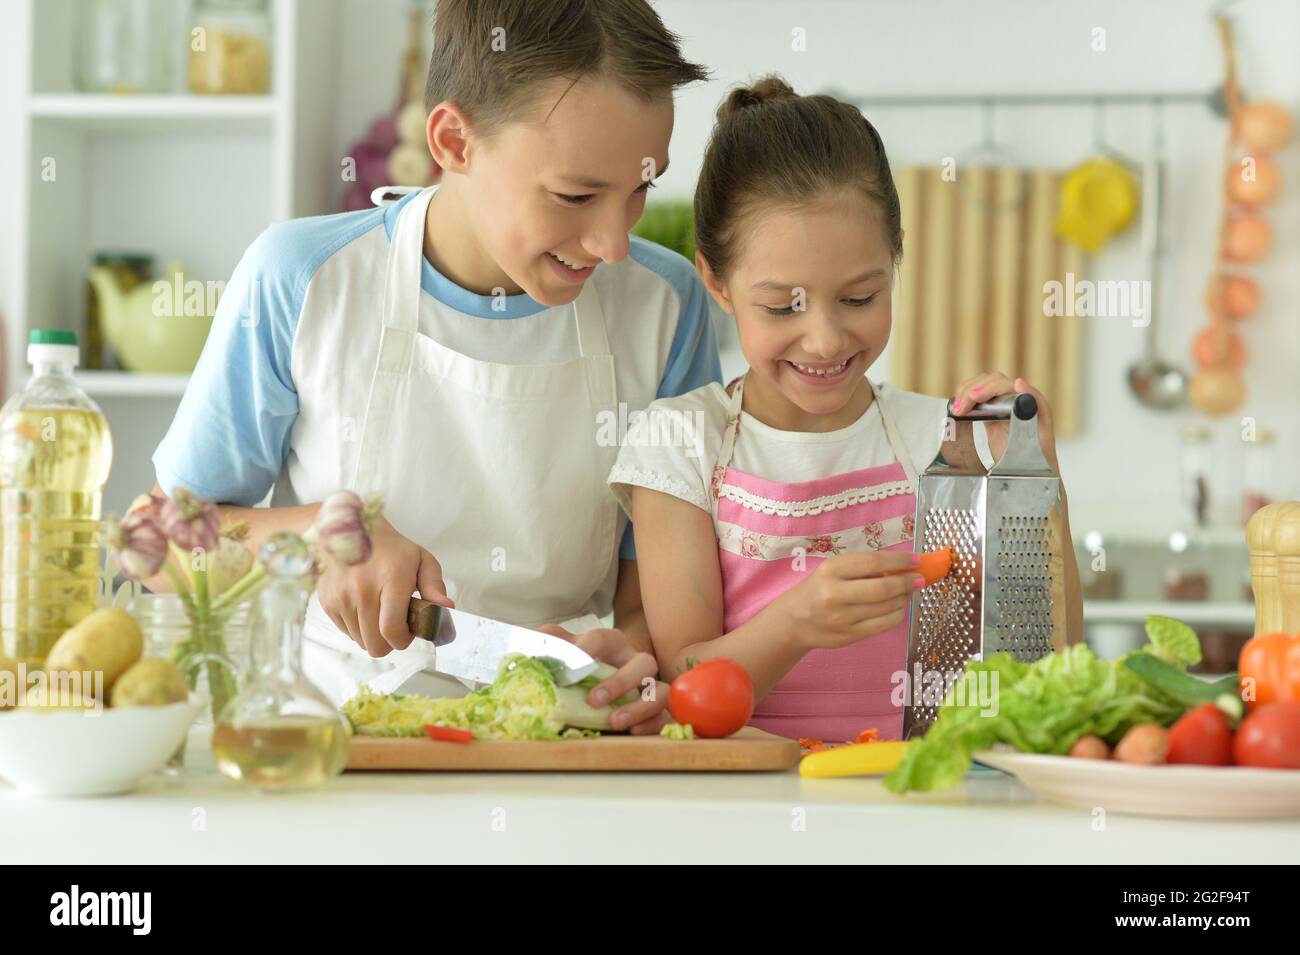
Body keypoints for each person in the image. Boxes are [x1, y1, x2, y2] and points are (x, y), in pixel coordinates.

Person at [150, 0, 717, 732]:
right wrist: (318, 542)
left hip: (566, 746)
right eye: (575, 195)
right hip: (336, 743)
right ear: (453, 140)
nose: (613, 242)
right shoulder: (302, 278)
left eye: (640, 188)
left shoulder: (665, 307)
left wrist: (629, 655)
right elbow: (161, 544)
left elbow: (654, 606)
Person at [609, 76, 1084, 742]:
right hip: (744, 811)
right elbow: (686, 683)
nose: (826, 339)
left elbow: (1047, 658)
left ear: (895, 260)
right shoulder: (681, 442)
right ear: (716, 281)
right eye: (782, 307)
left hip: (917, 802)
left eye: (860, 297)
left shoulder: (939, 441)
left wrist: (1034, 474)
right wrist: (796, 623)